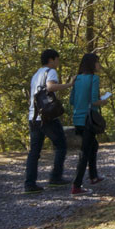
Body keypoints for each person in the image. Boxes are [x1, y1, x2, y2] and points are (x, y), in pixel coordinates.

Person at [24, 49, 75, 193]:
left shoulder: (36, 74)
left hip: (33, 117)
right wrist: (69, 85)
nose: (58, 62)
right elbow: (51, 87)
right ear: (51, 60)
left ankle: (30, 184)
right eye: (57, 59)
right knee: (61, 146)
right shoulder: (50, 71)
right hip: (47, 118)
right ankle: (55, 177)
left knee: (34, 152)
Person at [70, 52, 110, 195]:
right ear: (92, 64)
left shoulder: (77, 79)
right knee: (85, 151)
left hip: (77, 118)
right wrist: (103, 101)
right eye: (98, 62)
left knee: (94, 145)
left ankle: (93, 176)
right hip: (88, 119)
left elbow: (72, 101)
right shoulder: (94, 78)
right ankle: (76, 185)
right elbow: (93, 101)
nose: (99, 65)